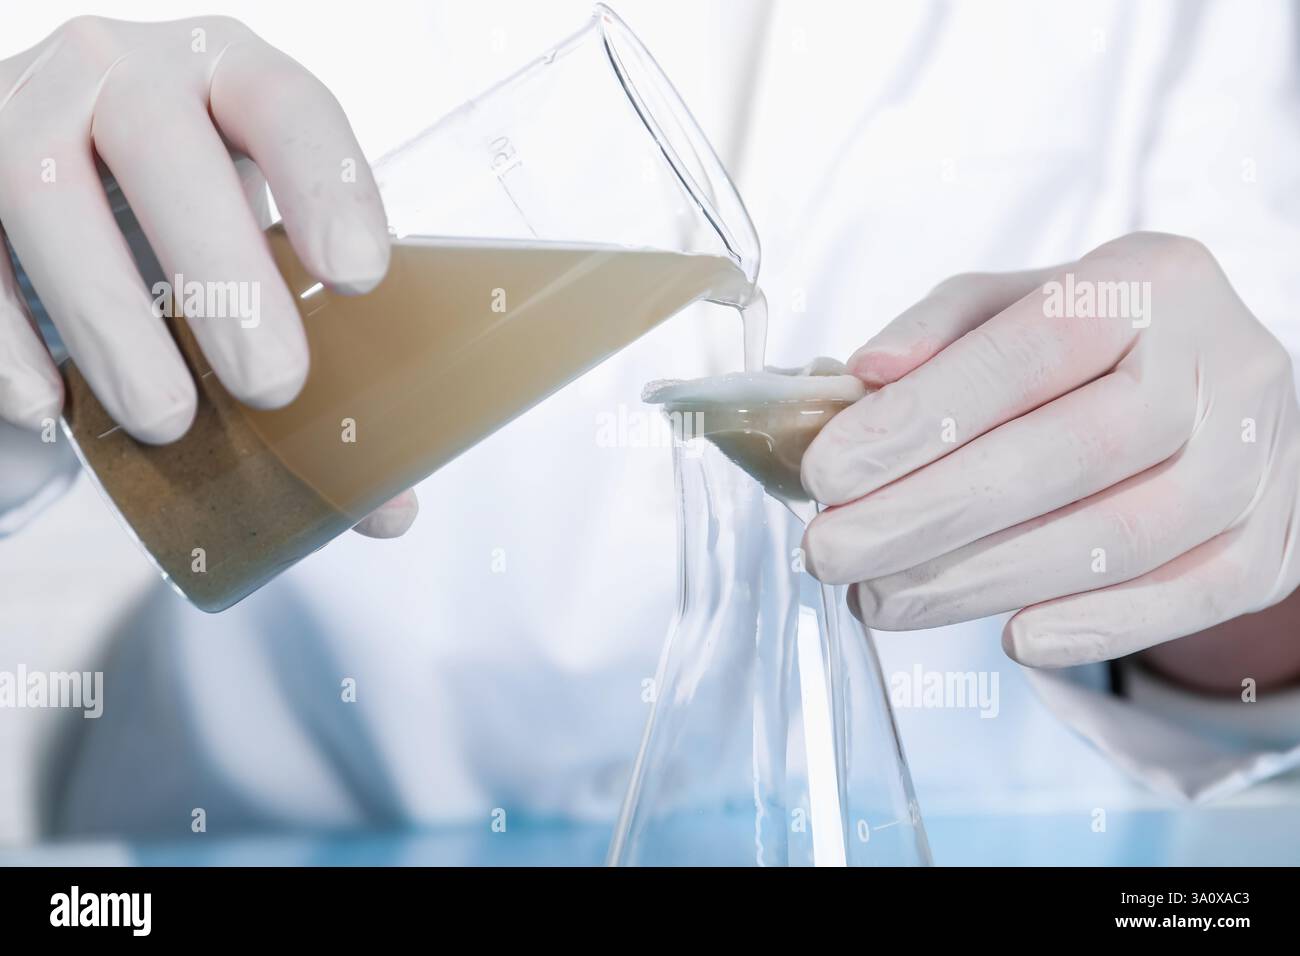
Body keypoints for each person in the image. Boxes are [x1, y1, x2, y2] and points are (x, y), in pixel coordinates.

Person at [1, 0, 1298, 842]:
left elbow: (1239, 605)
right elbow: (63, 579)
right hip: (262, 829)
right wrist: (24, 353)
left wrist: (1247, 515)